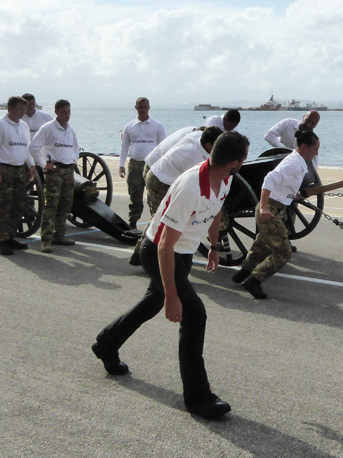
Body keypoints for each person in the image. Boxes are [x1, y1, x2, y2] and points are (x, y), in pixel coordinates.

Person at [92, 132, 250, 419]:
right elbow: (164, 244)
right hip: (158, 252)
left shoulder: (224, 178)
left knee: (152, 301)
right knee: (195, 314)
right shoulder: (192, 186)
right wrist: (173, 296)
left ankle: (107, 343)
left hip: (183, 253)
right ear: (235, 162)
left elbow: (215, 213)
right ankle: (198, 397)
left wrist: (214, 247)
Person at [231, 129, 320, 299]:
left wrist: (292, 193)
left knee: (262, 244)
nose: (316, 153)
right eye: (315, 149)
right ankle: (254, 280)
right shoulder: (293, 163)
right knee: (284, 253)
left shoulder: (298, 161)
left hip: (278, 208)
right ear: (303, 146)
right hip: (270, 210)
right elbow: (269, 179)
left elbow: (285, 183)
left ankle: (244, 271)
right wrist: (263, 207)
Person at [128, 127, 224, 266]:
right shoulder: (193, 157)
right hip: (159, 181)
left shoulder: (198, 136)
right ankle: (145, 256)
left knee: (158, 219)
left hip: (168, 176)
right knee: (161, 220)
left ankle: (140, 255)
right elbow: (198, 183)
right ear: (209, 145)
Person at [0, 96, 36, 255]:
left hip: (19, 169)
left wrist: (32, 165)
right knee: (1, 207)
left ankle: (11, 236)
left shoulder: (24, 126)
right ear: (11, 109)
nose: (23, 112)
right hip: (3, 168)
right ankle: (1, 241)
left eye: (24, 109)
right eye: (20, 109)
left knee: (18, 205)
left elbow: (26, 148)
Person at [28, 99, 80, 253]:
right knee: (51, 205)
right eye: (64, 111)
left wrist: (73, 160)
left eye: (69, 111)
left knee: (65, 205)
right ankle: (46, 240)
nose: (67, 115)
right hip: (54, 171)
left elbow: (76, 147)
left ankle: (60, 235)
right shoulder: (48, 128)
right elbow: (33, 148)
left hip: (68, 171)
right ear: (56, 112)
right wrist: (44, 164)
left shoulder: (70, 130)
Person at [119, 97, 166, 229]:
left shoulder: (157, 125)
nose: (143, 110)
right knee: (135, 195)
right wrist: (121, 165)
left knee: (154, 197)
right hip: (135, 165)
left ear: (149, 108)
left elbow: (163, 147)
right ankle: (133, 223)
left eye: (145, 107)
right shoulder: (129, 126)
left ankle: (156, 225)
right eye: (140, 107)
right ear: (136, 108)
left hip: (152, 166)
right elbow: (124, 146)